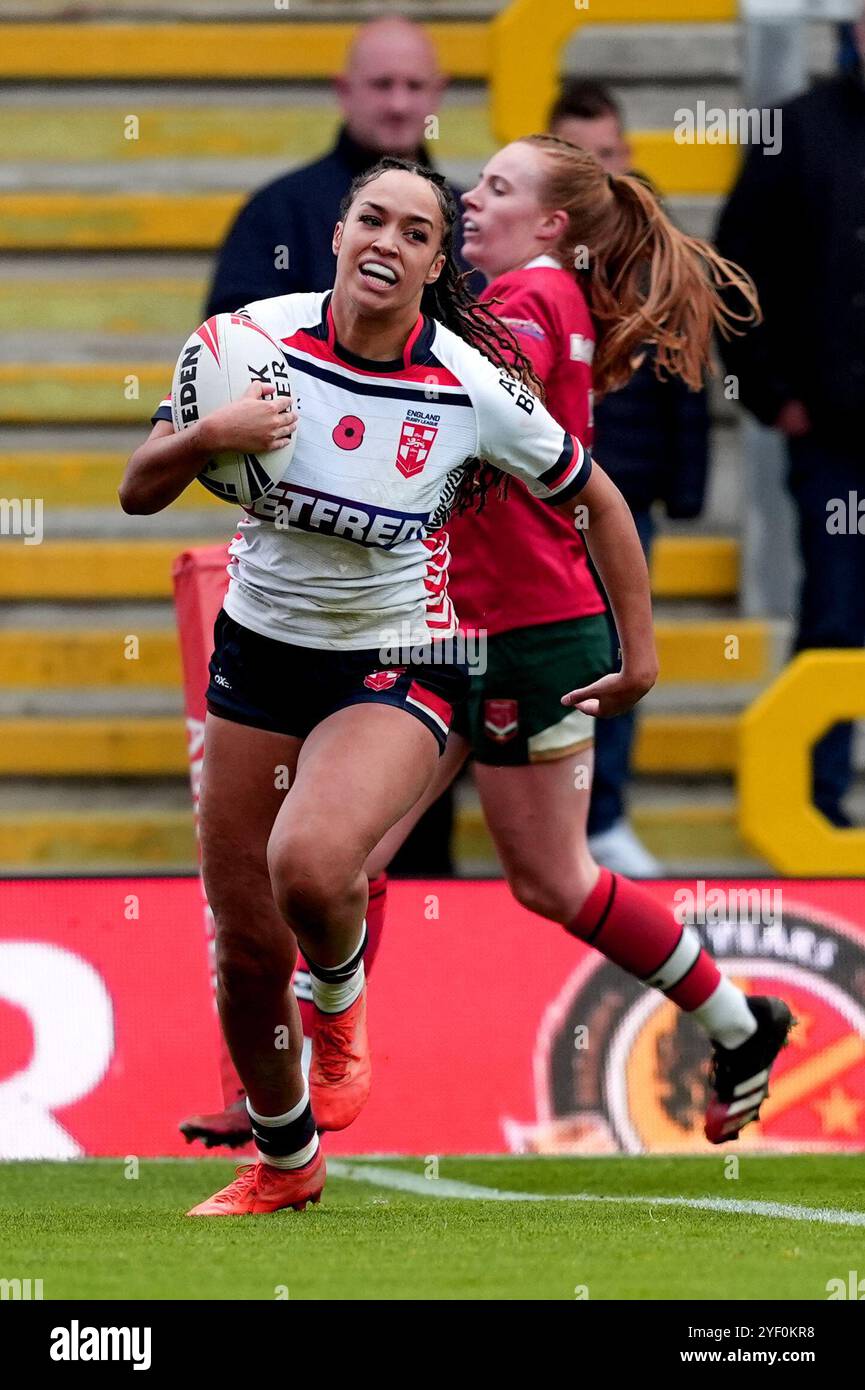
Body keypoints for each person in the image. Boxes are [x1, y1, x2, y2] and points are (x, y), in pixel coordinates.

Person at [119, 158, 658, 1216]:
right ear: (337, 232)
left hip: (402, 656)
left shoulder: (469, 383)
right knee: (243, 943)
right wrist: (204, 439)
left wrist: (638, 653)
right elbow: (140, 488)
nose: (389, 242)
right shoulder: (246, 342)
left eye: (417, 232)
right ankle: (286, 1158)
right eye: (373, 218)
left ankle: (342, 997)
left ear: (435, 260)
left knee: (311, 867)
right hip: (260, 653)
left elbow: (595, 497)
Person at [360, 136, 792, 1153]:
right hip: (463, 621)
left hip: (524, 631)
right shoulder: (547, 298)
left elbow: (451, 403)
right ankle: (294, 1081)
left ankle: (739, 1022)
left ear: (551, 224)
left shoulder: (523, 302)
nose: (472, 197)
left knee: (530, 876)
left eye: (498, 188)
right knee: (355, 853)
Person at [181, 15, 462, 1149]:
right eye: (379, 82)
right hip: (268, 626)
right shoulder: (276, 233)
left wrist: (614, 649)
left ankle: (355, 1025)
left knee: (340, 855)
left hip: (408, 630)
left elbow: (565, 470)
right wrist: (222, 439)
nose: (396, 99)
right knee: (250, 916)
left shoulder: (464, 358)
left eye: (415, 85)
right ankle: (278, 1126)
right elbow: (198, 405)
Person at [548, 80, 712, 875]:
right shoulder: (523, 255)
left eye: (607, 157)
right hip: (538, 499)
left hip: (627, 490)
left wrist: (683, 487)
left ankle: (602, 814)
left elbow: (687, 365)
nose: (600, 177)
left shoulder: (653, 243)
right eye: (581, 162)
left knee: (620, 648)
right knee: (541, 653)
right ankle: (547, 822)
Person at [715, 7, 865, 827]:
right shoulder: (794, 131)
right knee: (837, 613)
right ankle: (817, 801)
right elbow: (733, 272)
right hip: (836, 441)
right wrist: (773, 394)